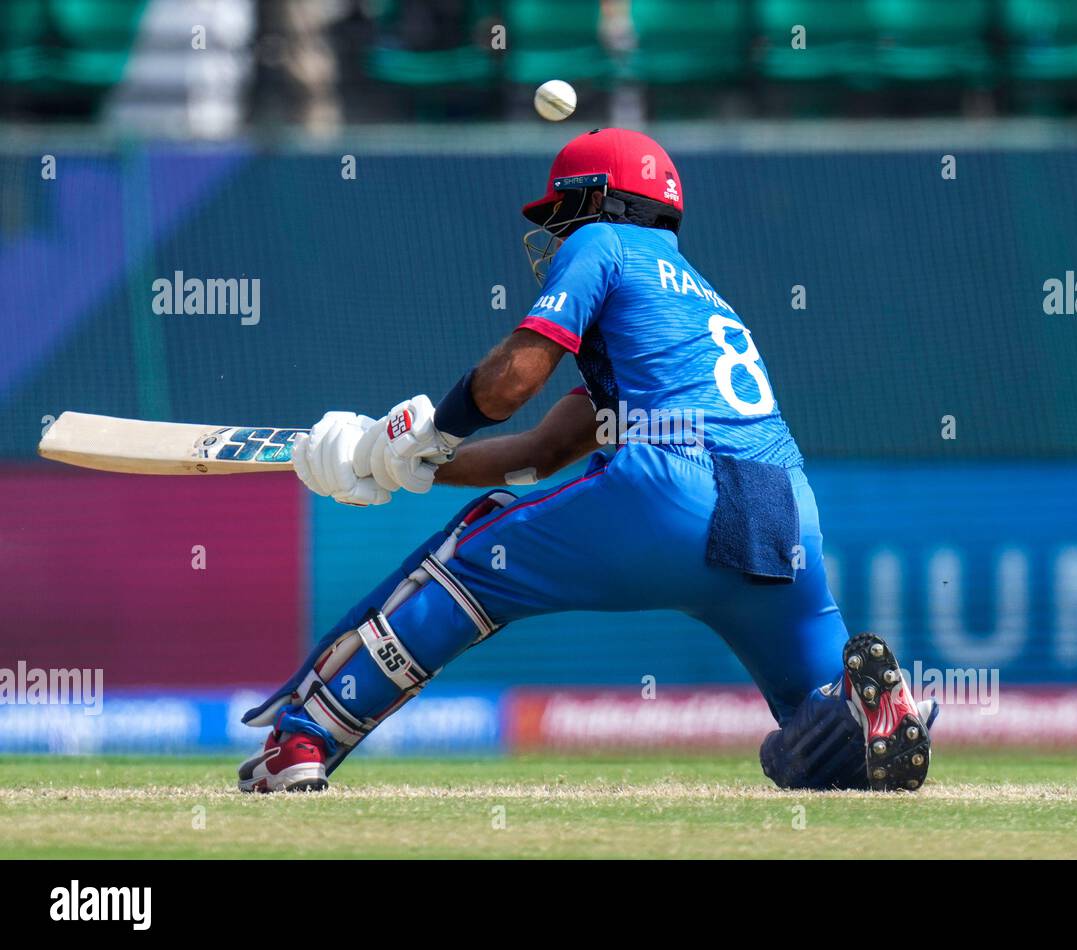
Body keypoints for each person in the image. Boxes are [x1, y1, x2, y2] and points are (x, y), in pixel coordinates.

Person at [238, 127, 935, 794]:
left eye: (565, 209)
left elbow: (510, 385)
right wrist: (404, 466)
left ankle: (303, 739)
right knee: (809, 730)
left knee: (474, 555)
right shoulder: (693, 304)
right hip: (784, 516)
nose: (557, 232)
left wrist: (427, 431)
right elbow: (542, 452)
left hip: (673, 493)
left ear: (603, 200)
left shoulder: (604, 240)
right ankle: (855, 713)